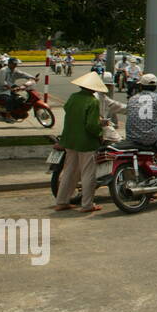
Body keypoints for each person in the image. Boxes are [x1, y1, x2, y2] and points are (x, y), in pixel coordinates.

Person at [55, 71, 109, 214]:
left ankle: (61, 201)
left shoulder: (73, 97)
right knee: (88, 173)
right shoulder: (92, 101)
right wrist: (100, 132)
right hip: (86, 142)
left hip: (70, 139)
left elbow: (68, 110)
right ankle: (87, 204)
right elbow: (91, 126)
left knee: (69, 172)